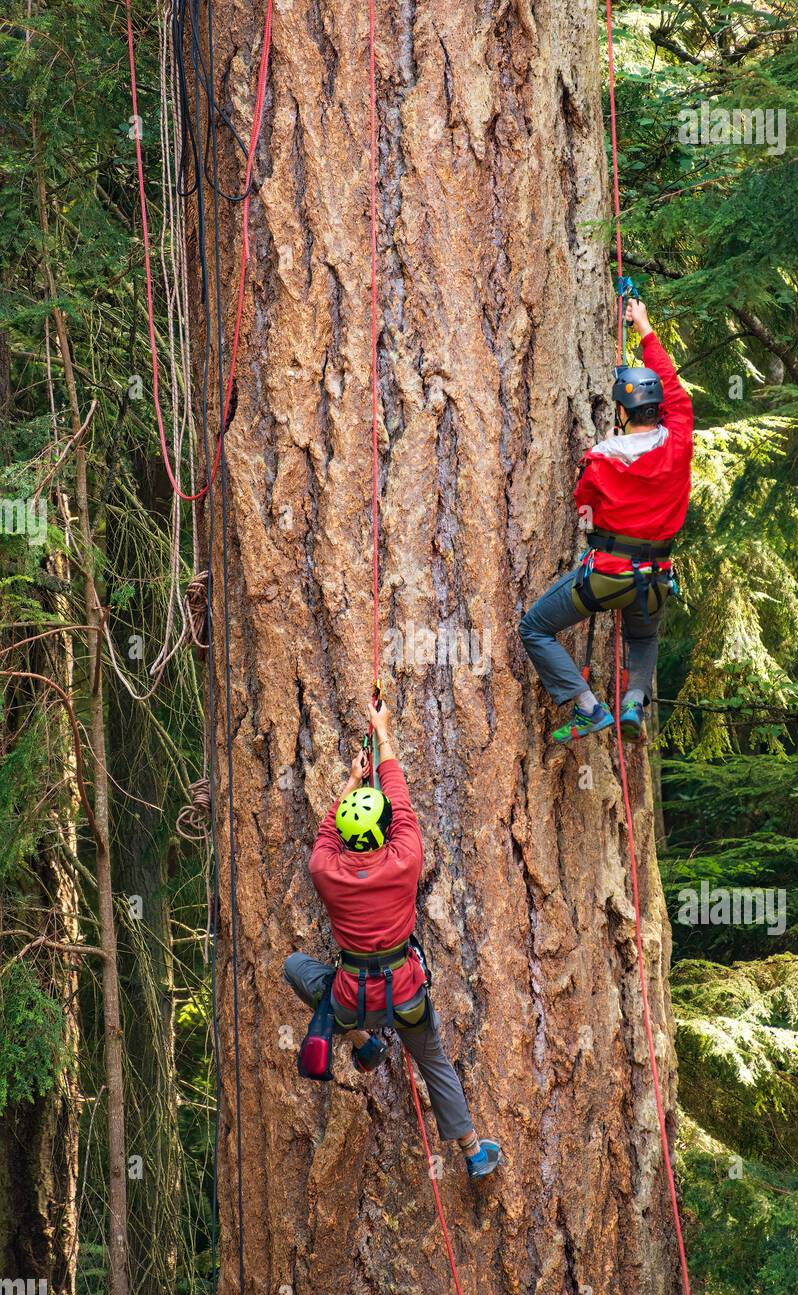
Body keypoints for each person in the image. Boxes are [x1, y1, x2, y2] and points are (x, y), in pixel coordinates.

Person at [284, 697, 502, 1179]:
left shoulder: (325, 870)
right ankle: (472, 1152)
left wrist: (351, 782)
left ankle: (365, 1044)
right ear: (385, 832)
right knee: (433, 1062)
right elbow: (400, 802)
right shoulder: (405, 860)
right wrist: (383, 733)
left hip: (350, 1002)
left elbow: (326, 835)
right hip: (404, 994)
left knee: (295, 968)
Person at [519, 297, 693, 742]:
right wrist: (644, 329)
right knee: (644, 639)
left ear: (621, 412)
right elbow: (673, 390)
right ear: (658, 411)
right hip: (654, 577)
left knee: (535, 628)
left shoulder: (599, 462)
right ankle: (633, 701)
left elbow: (584, 507)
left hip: (607, 578)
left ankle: (589, 708)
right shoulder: (679, 443)